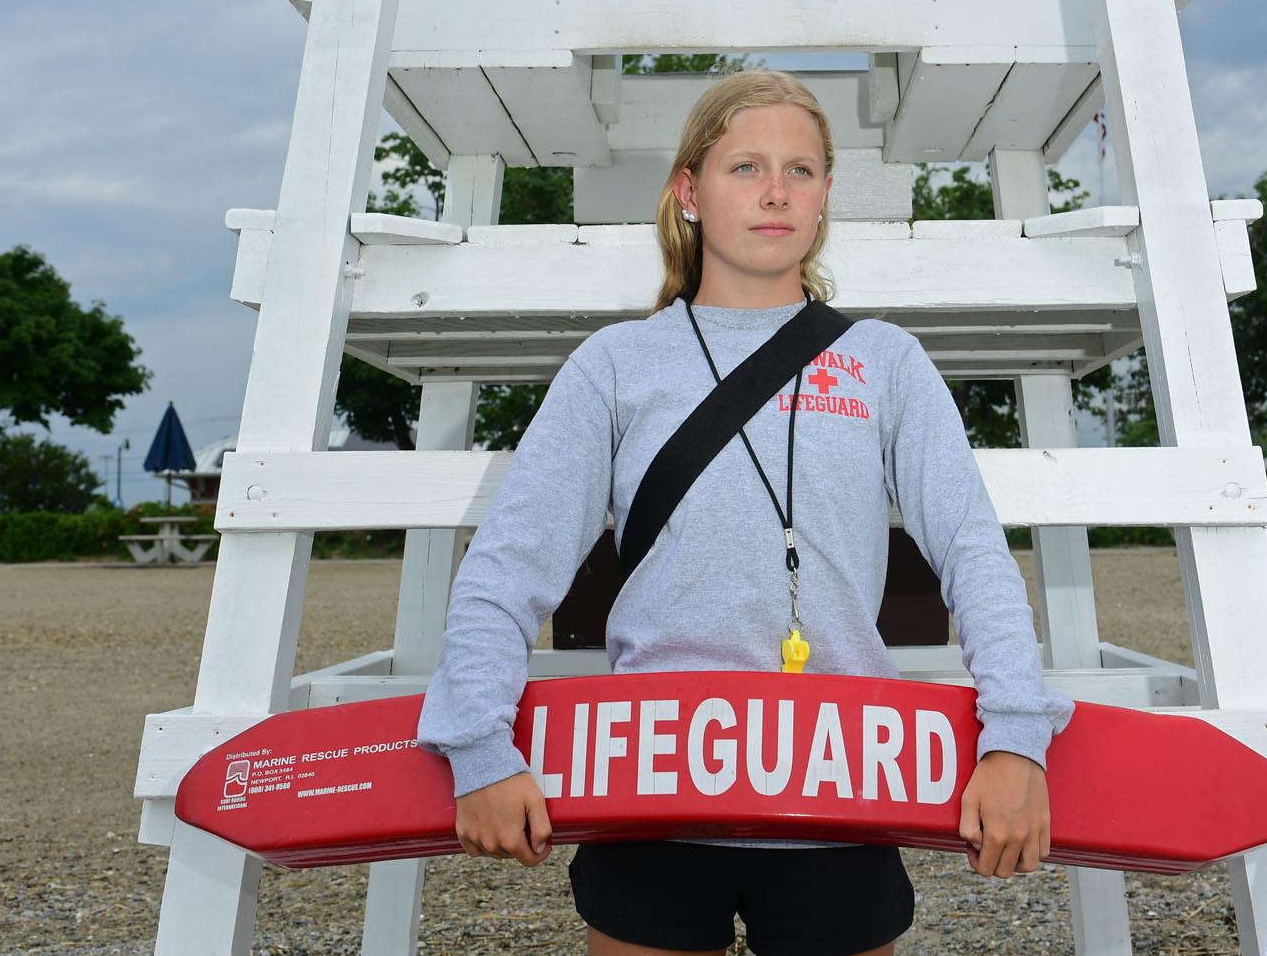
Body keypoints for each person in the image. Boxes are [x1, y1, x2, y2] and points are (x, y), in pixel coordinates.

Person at [417, 69, 1076, 956]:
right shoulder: (615, 365)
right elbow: (508, 567)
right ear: (689, 192)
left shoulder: (884, 361)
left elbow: (973, 554)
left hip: (843, 780)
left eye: (800, 170)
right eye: (746, 168)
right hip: (650, 784)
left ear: (825, 193)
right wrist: (479, 745)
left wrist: (1017, 738)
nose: (776, 192)